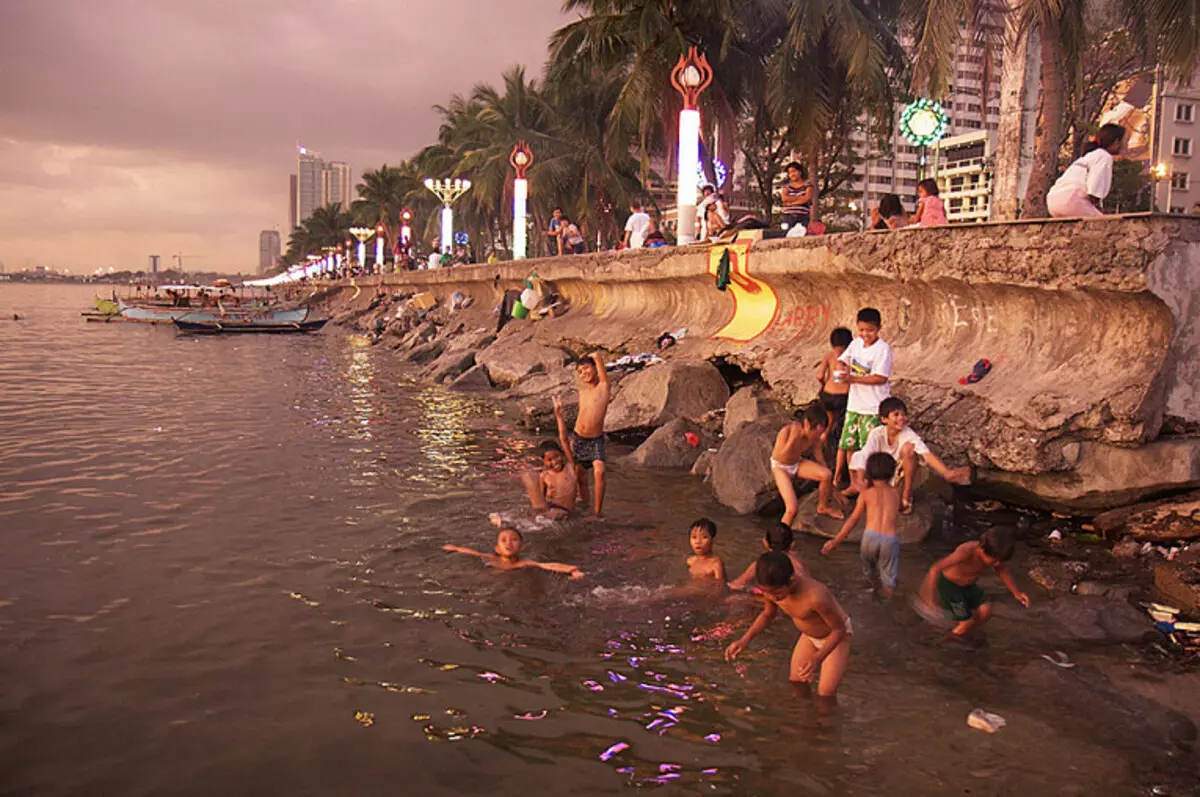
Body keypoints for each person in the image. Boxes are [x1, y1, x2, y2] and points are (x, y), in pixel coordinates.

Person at [724, 552, 852, 698]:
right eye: (768, 593)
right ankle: (803, 716)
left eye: (777, 593)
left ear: (792, 581)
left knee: (825, 695)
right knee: (797, 683)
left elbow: (839, 629)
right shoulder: (771, 591)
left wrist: (818, 657)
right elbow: (768, 614)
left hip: (835, 638)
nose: (773, 597)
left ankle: (825, 719)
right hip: (809, 636)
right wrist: (744, 640)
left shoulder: (816, 596)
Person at [843, 397, 972, 513]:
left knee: (908, 449)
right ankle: (864, 491)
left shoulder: (908, 433)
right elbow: (866, 453)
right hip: (883, 475)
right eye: (896, 415)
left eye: (903, 415)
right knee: (859, 458)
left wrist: (946, 473)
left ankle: (907, 494)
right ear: (884, 419)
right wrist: (860, 479)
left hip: (901, 475)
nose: (901, 418)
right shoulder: (876, 434)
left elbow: (925, 453)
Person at [917, 527, 1030, 638]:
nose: (996, 564)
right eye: (994, 560)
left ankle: (966, 632)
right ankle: (948, 640)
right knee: (966, 622)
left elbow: (1002, 571)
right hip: (950, 587)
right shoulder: (966, 551)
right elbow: (935, 569)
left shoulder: (993, 552)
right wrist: (929, 600)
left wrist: (1017, 593)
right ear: (982, 549)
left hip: (968, 586)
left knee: (986, 610)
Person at [821, 453, 902, 598]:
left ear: (869, 474)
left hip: (869, 538)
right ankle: (887, 605)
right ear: (892, 473)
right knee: (888, 580)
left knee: (869, 573)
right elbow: (900, 507)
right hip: (889, 540)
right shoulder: (896, 494)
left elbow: (853, 520)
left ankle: (871, 593)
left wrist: (835, 541)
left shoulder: (866, 495)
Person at [834, 307, 893, 490]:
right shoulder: (856, 344)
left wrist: (852, 379)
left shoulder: (883, 349)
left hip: (873, 406)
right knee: (850, 445)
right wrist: (841, 365)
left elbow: (880, 377)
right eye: (862, 330)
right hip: (855, 405)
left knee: (869, 448)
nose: (865, 334)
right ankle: (855, 484)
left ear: (878, 328)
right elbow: (843, 359)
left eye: (870, 330)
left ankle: (869, 484)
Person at [771, 405, 843, 524]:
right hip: (780, 467)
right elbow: (780, 457)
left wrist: (833, 490)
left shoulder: (815, 438)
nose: (819, 436)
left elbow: (820, 459)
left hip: (797, 463)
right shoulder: (787, 431)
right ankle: (780, 539)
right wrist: (792, 440)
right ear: (808, 424)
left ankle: (822, 506)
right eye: (817, 432)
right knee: (791, 509)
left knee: (826, 474)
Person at [1047, 123, 1126, 218]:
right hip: (1071, 201)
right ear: (1117, 142)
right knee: (1106, 226)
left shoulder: (1090, 156)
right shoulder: (1104, 156)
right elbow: (1094, 191)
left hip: (1053, 202)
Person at [443, 528, 584, 579]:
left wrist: (572, 569)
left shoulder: (523, 563)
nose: (509, 543)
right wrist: (455, 548)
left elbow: (547, 565)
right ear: (497, 549)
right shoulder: (492, 558)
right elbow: (473, 552)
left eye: (514, 540)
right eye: (503, 541)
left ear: (521, 547)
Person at [571, 352, 610, 518]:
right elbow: (579, 377)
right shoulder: (582, 392)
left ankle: (596, 511)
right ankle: (585, 503)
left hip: (595, 439)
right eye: (580, 371)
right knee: (580, 475)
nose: (583, 373)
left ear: (595, 368)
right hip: (579, 437)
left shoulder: (603, 387)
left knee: (599, 471)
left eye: (586, 368)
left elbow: (601, 371)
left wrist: (596, 357)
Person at [728, 523, 809, 591]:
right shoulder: (800, 564)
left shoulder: (762, 563)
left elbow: (736, 585)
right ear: (792, 545)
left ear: (765, 542)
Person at [816, 327, 852, 446]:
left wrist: (824, 384)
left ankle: (825, 435)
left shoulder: (829, 356)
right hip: (844, 397)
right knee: (843, 422)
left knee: (830, 419)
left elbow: (819, 375)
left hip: (828, 394)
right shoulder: (851, 357)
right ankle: (840, 444)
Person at [686, 518, 726, 583]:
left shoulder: (716, 564)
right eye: (694, 537)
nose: (698, 542)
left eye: (704, 537)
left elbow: (720, 587)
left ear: (713, 540)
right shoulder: (690, 561)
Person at [780, 162, 813, 232]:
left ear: (800, 172)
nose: (792, 174)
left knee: (801, 235)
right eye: (789, 173)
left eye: (794, 171)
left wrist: (791, 202)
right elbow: (784, 198)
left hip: (802, 216)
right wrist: (800, 197)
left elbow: (806, 198)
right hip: (788, 216)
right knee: (786, 235)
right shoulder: (786, 187)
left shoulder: (808, 186)